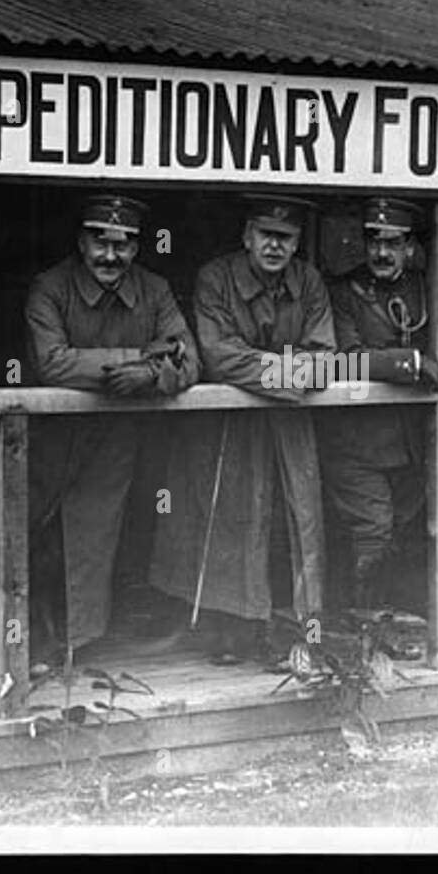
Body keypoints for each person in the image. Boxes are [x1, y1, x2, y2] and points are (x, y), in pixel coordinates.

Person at [149, 195, 335, 665]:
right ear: (247, 236)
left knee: (294, 521)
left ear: (296, 243)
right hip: (230, 421)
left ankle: (292, 630)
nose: (275, 245)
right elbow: (219, 355)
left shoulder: (309, 281)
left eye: (286, 237)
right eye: (266, 235)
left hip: (289, 421)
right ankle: (229, 631)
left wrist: (269, 370)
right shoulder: (216, 277)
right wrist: (289, 371)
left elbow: (324, 357)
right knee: (227, 521)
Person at [25, 194, 199, 662]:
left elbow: (190, 359)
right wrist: (138, 359)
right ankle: (32, 643)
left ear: (137, 248)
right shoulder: (49, 287)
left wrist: (155, 375)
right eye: (100, 243)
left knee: (108, 538)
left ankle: (80, 643)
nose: (109, 256)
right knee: (39, 536)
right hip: (54, 438)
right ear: (82, 242)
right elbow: (53, 363)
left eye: (122, 246)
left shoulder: (156, 289)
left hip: (122, 440)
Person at [318, 197, 438, 616]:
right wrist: (409, 365)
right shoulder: (342, 291)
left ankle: (386, 618)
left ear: (410, 247)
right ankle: (361, 624)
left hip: (411, 440)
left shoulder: (423, 286)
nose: (381, 253)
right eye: (373, 241)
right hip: (357, 443)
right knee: (373, 528)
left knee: (404, 529)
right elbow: (344, 358)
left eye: (393, 243)